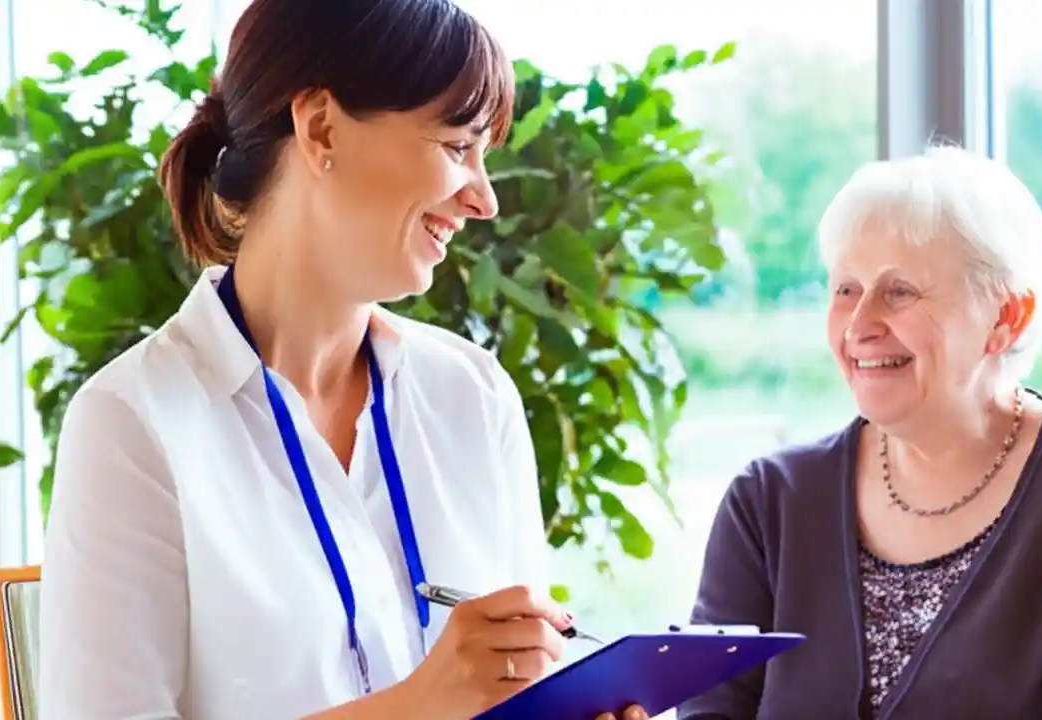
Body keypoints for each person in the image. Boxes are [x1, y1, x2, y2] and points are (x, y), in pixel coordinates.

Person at [37, 1, 646, 719]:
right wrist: (418, 705)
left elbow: (522, 690)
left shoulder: (473, 396)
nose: (484, 199)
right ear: (321, 127)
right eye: (458, 147)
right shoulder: (135, 423)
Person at [678, 146, 1042, 719]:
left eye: (900, 291)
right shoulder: (768, 500)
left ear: (1006, 317)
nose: (860, 325)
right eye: (845, 289)